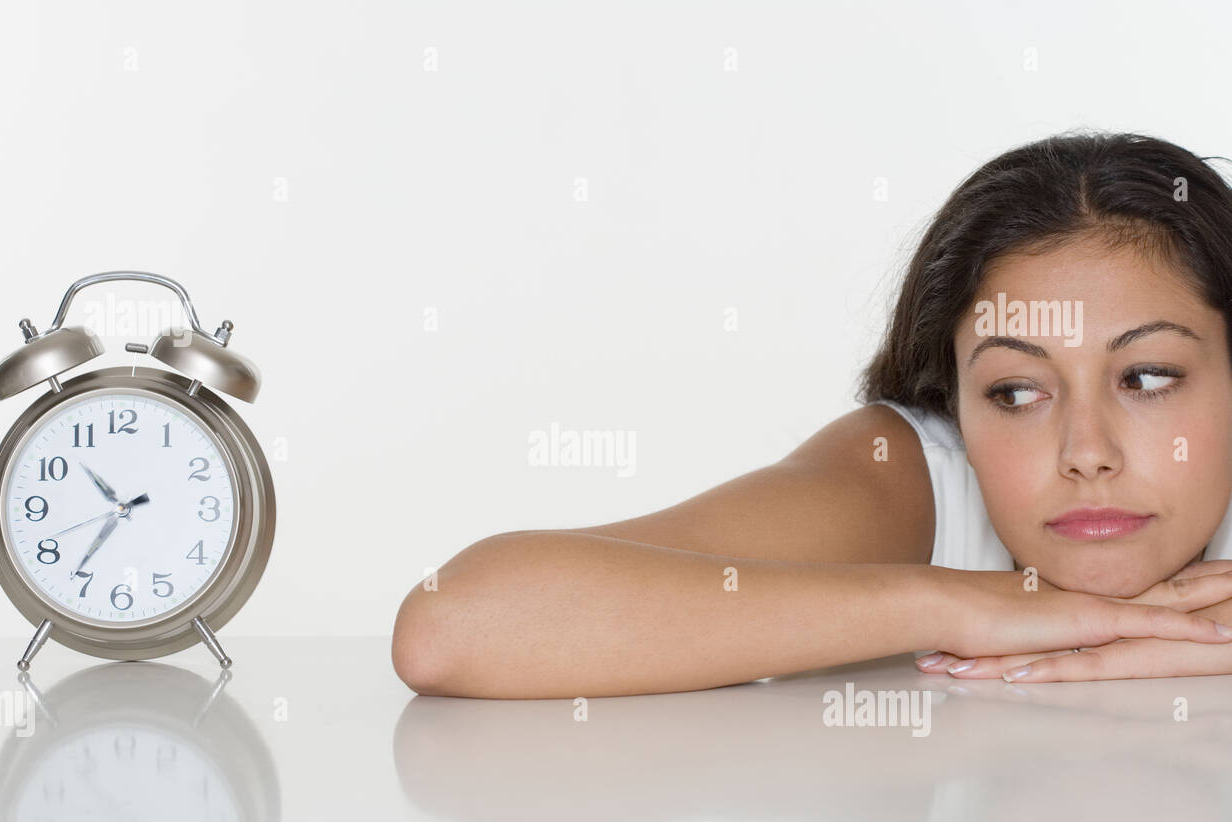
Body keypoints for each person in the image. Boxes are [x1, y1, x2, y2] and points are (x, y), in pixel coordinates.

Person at [393, 130, 1232, 698]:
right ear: (956, 404)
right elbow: (456, 624)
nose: (1086, 452)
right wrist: (956, 605)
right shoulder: (915, 478)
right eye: (1015, 392)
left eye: (1149, 376)